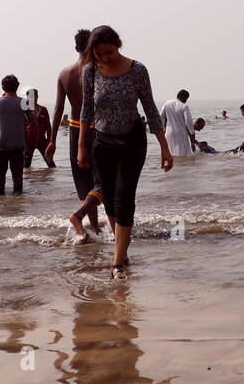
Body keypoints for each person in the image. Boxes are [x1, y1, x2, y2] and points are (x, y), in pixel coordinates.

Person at [77, 25, 172, 277]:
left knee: (124, 199)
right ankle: (123, 249)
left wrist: (165, 147)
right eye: (99, 54)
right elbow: (86, 110)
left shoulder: (137, 70)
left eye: (109, 52)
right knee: (108, 199)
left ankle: (117, 263)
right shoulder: (90, 72)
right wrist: (81, 146)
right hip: (102, 142)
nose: (105, 58)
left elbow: (150, 109)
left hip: (132, 141)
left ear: (118, 44)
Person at [45, 29, 103, 238]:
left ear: (76, 48)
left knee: (83, 180)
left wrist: (52, 140)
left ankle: (94, 228)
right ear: (91, 47)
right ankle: (83, 219)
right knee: (102, 179)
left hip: (74, 128)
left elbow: (58, 108)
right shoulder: (97, 69)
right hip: (96, 127)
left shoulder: (64, 73)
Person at [0, 75, 27, 195]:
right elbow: (31, 119)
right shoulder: (23, 102)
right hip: (17, 143)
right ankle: (17, 201)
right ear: (17, 86)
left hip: (0, 143)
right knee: (17, 176)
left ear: (2, 87)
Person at [23, 90, 55, 169]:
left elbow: (48, 126)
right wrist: (24, 143)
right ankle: (28, 180)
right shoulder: (25, 111)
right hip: (29, 142)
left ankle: (52, 179)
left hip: (42, 140)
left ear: (37, 97)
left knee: (51, 164)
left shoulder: (43, 109)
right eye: (30, 97)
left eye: (34, 96)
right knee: (26, 166)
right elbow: (22, 128)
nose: (32, 98)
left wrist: (50, 140)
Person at [161, 90, 197, 157]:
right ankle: (183, 167)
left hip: (169, 133)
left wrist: (163, 129)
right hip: (181, 134)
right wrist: (192, 135)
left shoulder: (167, 103)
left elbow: (161, 117)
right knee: (183, 155)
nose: (186, 101)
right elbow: (188, 122)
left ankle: (175, 167)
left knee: (171, 153)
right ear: (183, 97)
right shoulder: (184, 106)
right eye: (186, 98)